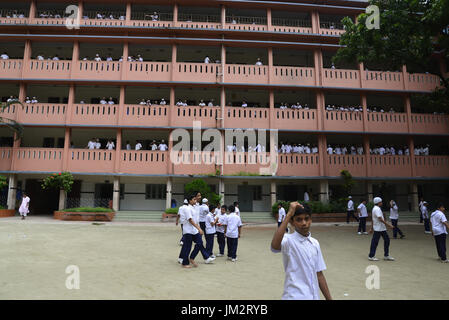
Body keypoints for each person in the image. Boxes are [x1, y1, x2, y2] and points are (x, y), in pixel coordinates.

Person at [271, 201, 332, 300]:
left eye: (306, 219)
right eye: (299, 220)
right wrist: (289, 214)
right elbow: (274, 246)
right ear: (292, 222)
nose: (304, 223)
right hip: (294, 297)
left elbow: (319, 275)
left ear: (311, 220)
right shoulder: (288, 240)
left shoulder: (315, 243)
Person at [368, 197, 395, 261]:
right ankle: (371, 256)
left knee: (387, 240)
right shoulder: (377, 209)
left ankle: (386, 255)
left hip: (381, 228)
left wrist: (371, 228)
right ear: (378, 202)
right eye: (381, 202)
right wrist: (389, 225)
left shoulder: (375, 208)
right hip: (378, 228)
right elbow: (380, 219)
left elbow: (373, 219)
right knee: (375, 242)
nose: (382, 203)